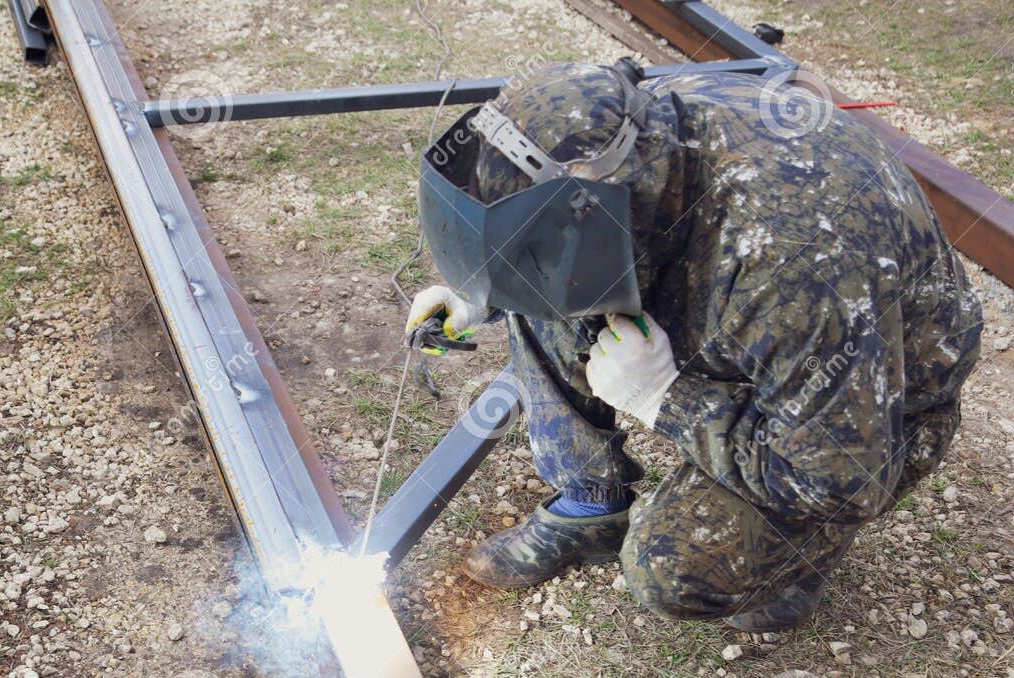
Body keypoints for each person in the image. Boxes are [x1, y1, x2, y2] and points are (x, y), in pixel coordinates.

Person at [407, 61, 982, 631]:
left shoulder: (796, 264)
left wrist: (663, 397)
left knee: (677, 569)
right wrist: (486, 288)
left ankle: (796, 561)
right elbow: (554, 230)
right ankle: (592, 505)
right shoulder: (628, 133)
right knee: (547, 304)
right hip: (742, 305)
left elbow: (840, 478)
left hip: (867, 409)